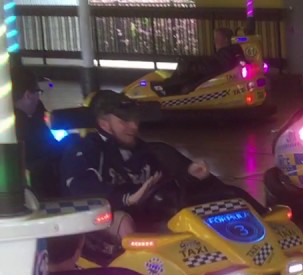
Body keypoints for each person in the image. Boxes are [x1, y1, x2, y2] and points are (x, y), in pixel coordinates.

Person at [60, 90, 211, 238]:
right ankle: (132, 261)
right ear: (105, 124)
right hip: (102, 215)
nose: (134, 126)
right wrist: (126, 198)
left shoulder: (147, 150)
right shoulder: (84, 151)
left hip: (147, 213)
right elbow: (81, 190)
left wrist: (189, 174)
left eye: (134, 119)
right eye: (124, 121)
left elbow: (168, 180)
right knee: (123, 221)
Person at [12, 66, 61, 198]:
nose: (38, 98)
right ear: (28, 95)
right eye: (38, 92)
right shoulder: (22, 126)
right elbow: (49, 148)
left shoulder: (34, 113)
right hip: (36, 189)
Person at [154, 27, 246, 96]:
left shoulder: (226, 53)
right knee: (186, 70)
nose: (214, 41)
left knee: (185, 76)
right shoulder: (230, 52)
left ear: (226, 40)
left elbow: (213, 67)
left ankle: (164, 89)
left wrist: (191, 67)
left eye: (217, 38)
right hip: (209, 78)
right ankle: (166, 86)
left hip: (210, 82)